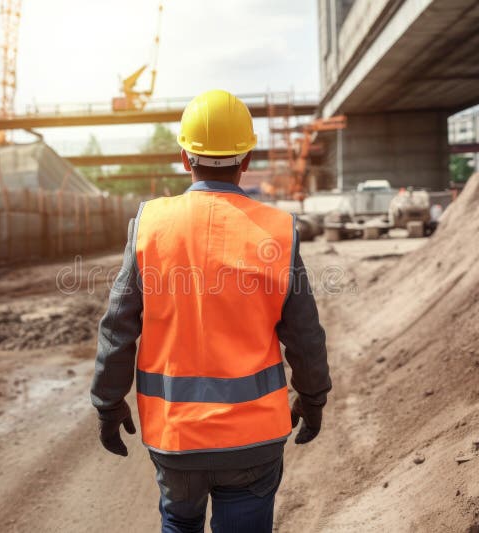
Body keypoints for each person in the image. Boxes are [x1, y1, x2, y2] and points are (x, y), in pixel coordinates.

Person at [91, 89, 331, 533]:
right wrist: (312, 397)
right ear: (246, 159)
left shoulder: (149, 225)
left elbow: (118, 328)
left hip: (176, 436)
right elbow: (305, 334)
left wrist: (108, 403)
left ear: (185, 157)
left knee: (179, 523)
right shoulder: (277, 232)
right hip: (254, 439)